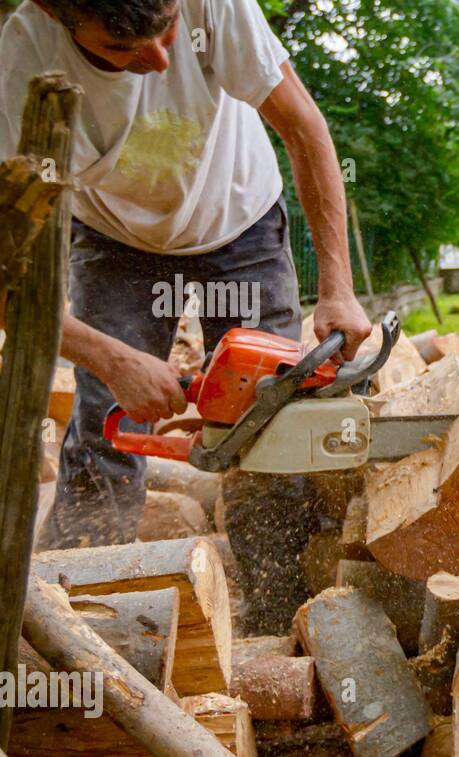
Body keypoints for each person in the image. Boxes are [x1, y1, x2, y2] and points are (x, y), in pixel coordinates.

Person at [0, 0, 371, 631]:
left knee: (268, 421)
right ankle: (76, 613)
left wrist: (337, 284)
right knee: (101, 427)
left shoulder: (214, 4)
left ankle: (278, 619)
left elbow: (305, 129)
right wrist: (110, 359)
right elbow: (10, 284)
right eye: (123, 48)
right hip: (113, 238)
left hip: (242, 220)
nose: (160, 57)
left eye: (167, 28)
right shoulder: (20, 65)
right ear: (53, 12)